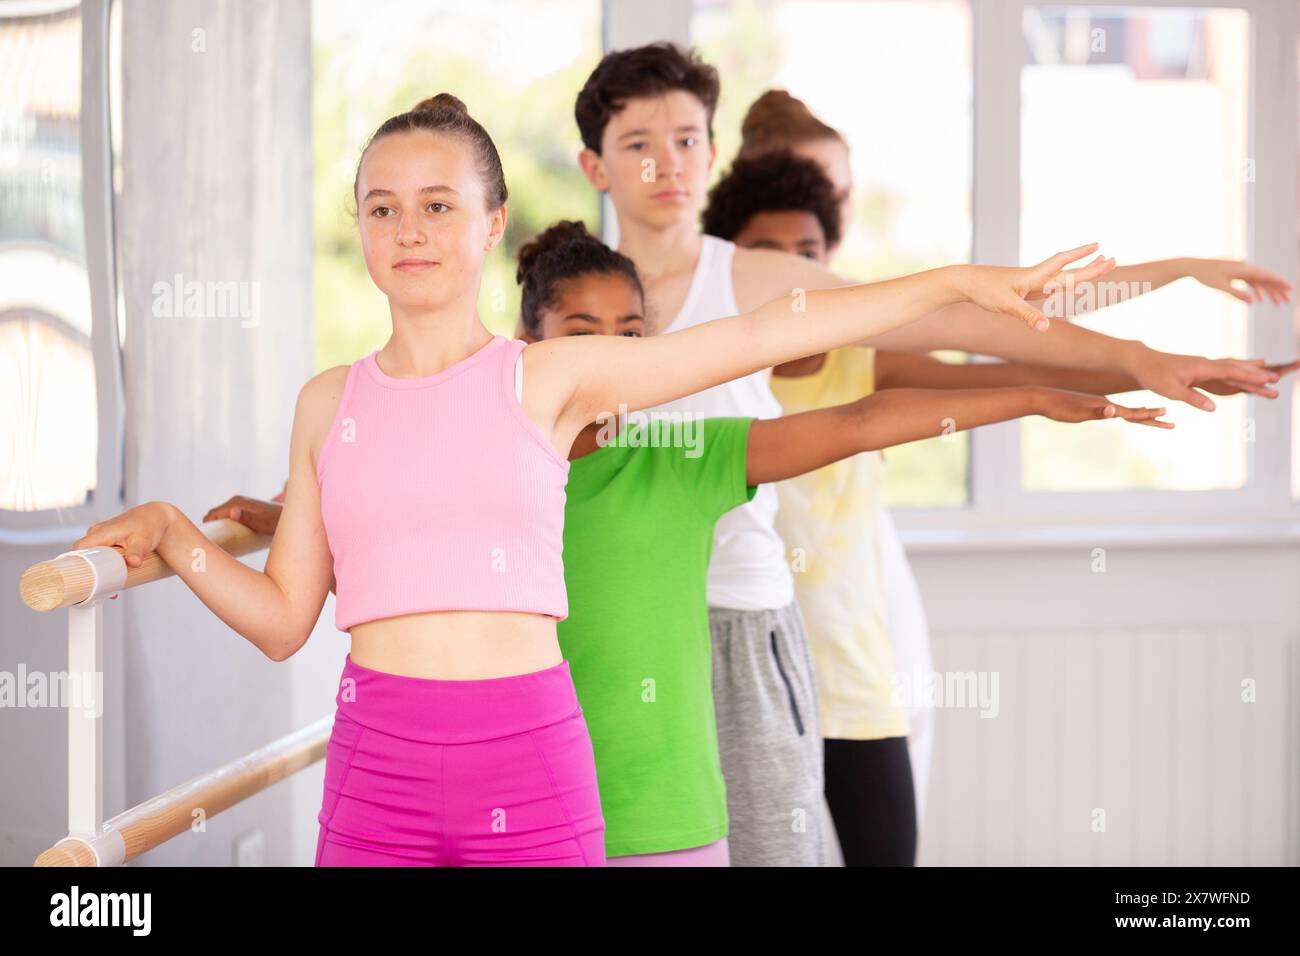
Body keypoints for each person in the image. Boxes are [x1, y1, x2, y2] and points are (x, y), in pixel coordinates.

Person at [73, 92, 1105, 867]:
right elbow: (281, 618)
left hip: (524, 755)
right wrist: (174, 531)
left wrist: (957, 281)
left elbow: (761, 332)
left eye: (438, 204)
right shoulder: (326, 400)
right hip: (374, 763)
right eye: (382, 208)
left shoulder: (550, 377)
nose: (410, 230)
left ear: (489, 224)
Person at [211, 219, 1165, 867]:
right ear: (533, 341)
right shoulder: (477, 453)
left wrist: (1028, 397)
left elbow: (862, 417)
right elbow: (378, 522)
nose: (617, 358)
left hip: (669, 816)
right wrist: (271, 517)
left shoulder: (683, 454)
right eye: (587, 334)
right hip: (526, 814)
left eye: (634, 334)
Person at [571, 40, 1281, 866]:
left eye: (688, 140)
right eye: (640, 145)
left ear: (714, 152)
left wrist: (1137, 358)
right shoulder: (569, 298)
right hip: (616, 622)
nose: (669, 164)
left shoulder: (759, 282)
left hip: (742, 616)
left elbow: (957, 321)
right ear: (594, 165)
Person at [702, 146, 1297, 865]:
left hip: (852, 677)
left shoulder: (868, 353)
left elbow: (1017, 340)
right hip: (742, 675)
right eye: (770, 253)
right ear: (735, 263)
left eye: (809, 251)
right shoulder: (709, 365)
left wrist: (1161, 328)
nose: (792, 268)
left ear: (829, 262)